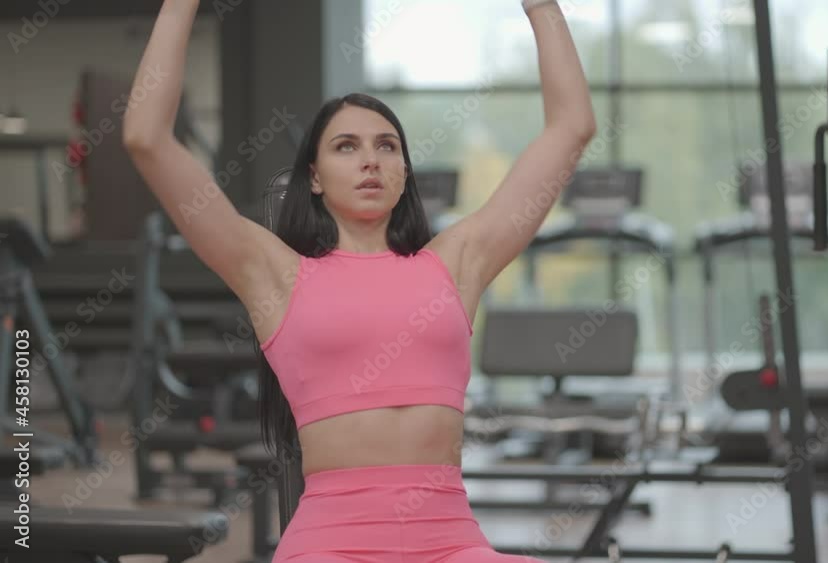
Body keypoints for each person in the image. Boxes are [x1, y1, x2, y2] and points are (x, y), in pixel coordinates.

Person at [124, 0, 595, 561]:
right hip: (331, 545)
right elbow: (146, 138)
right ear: (315, 178)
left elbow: (572, 128)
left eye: (386, 146)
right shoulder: (273, 273)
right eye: (346, 146)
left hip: (451, 542)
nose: (370, 160)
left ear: (404, 173)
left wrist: (541, 6)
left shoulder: (458, 264)